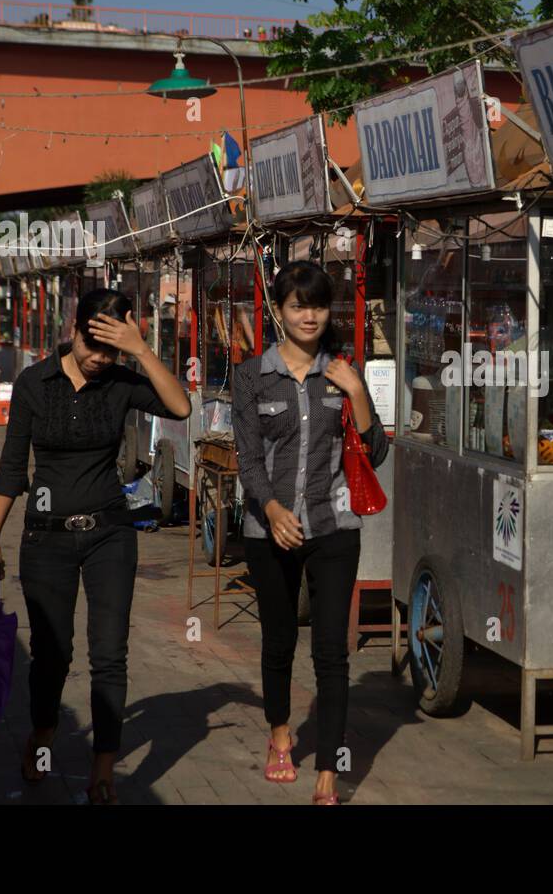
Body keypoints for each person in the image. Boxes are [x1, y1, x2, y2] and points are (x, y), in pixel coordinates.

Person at [0, 289, 190, 804]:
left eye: (110, 352)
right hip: (45, 538)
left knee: (109, 654)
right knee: (51, 653)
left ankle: (103, 770)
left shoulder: (121, 382)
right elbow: (12, 466)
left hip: (110, 536)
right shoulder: (33, 384)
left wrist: (139, 351)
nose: (100, 360)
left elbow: (181, 407)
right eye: (94, 347)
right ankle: (44, 734)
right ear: (73, 333)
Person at [231, 261, 388, 805]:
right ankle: (279, 734)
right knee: (278, 641)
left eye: (318, 305)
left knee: (331, 652)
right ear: (279, 310)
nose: (309, 315)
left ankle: (327, 770)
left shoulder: (343, 373)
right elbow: (247, 458)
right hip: (267, 529)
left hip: (334, 527)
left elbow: (377, 454)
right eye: (298, 305)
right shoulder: (251, 377)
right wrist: (272, 510)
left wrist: (358, 394)